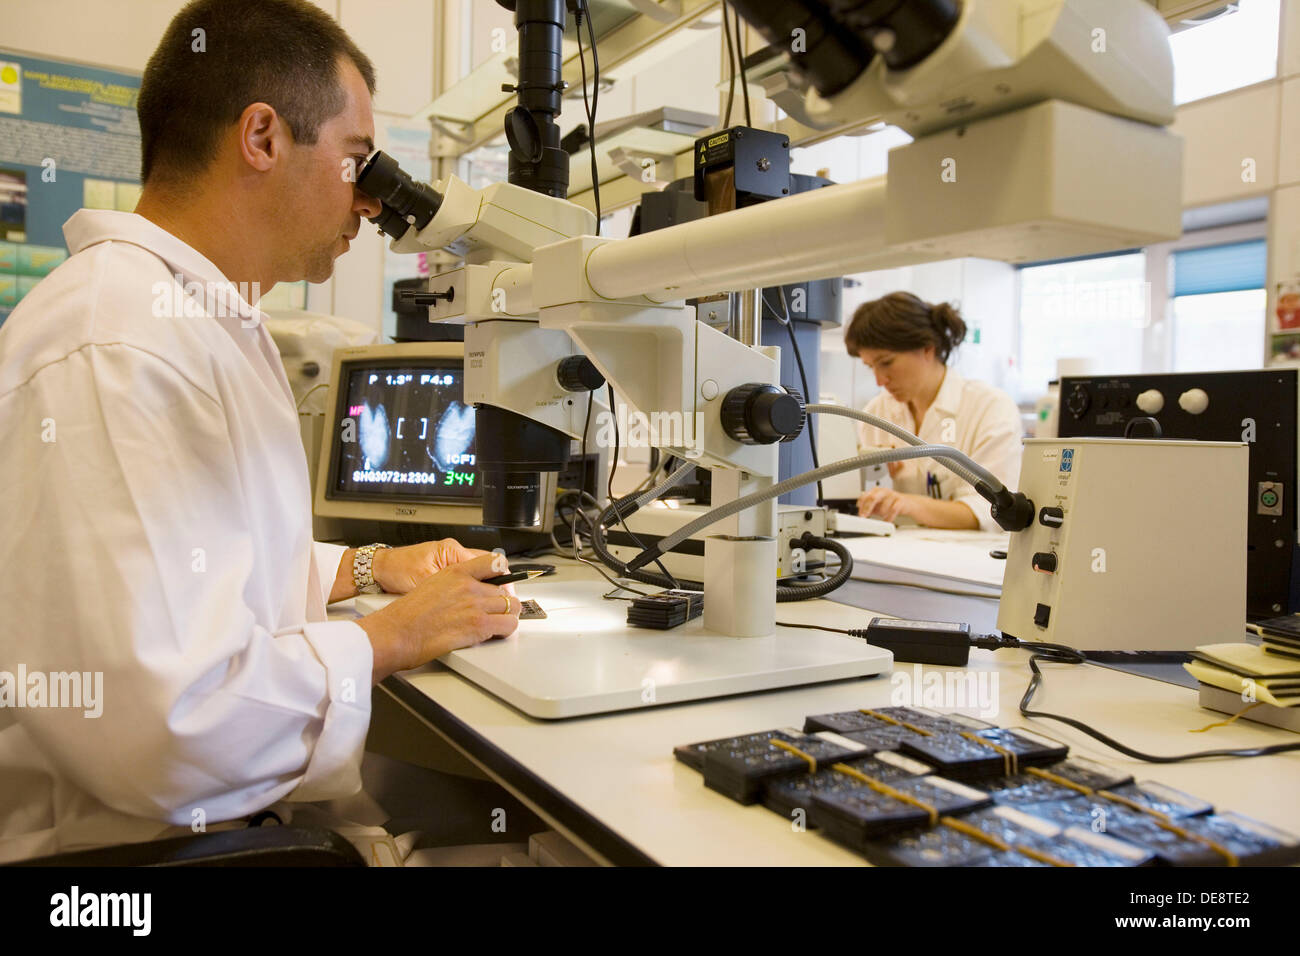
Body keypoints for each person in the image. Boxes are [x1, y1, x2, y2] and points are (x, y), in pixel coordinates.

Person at [0, 0, 521, 863]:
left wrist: (370, 567)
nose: (369, 201)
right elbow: (171, 729)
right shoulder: (119, 341)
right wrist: (391, 635)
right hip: (131, 860)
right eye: (356, 158)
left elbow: (195, 556)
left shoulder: (190, 321)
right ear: (262, 137)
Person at [844, 292, 1024, 531]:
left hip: (970, 551)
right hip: (897, 548)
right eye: (871, 367)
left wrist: (909, 504)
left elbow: (992, 510)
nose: (880, 380)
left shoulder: (989, 408)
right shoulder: (876, 413)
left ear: (927, 349)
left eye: (886, 362)